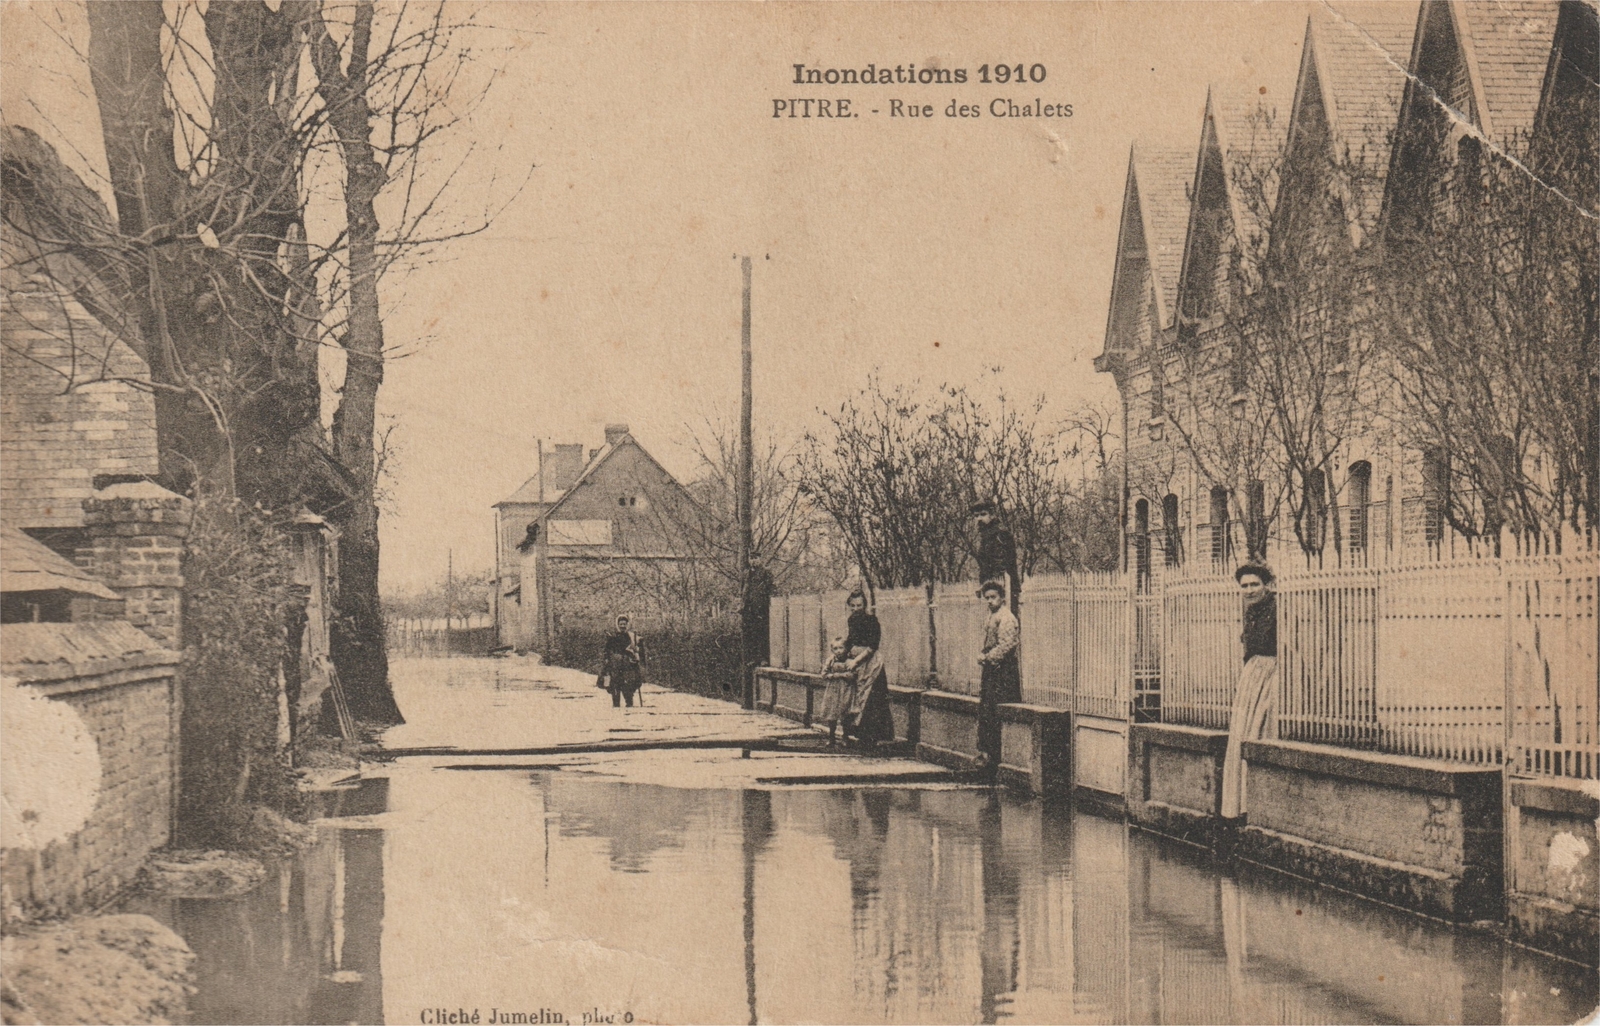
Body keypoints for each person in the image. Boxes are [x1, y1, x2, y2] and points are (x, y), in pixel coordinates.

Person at [1220, 564, 1278, 820]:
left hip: (1272, 673)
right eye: (1244, 586)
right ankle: (1240, 804)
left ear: (1267, 586)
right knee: (1243, 732)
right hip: (1252, 675)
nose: (1249, 590)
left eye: (1255, 584)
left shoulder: (1277, 608)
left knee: (1261, 729)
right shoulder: (1250, 611)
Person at [976, 580, 1021, 771]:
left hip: (1003, 672)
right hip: (991, 671)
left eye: (993, 597)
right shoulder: (991, 616)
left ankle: (997, 757)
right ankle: (988, 755)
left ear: (1002, 598)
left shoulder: (1007, 618)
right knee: (987, 710)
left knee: (997, 710)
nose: (989, 601)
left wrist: (987, 657)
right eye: (986, 598)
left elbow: (1007, 645)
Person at [839, 589, 893, 743]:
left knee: (871, 698)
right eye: (853, 606)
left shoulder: (872, 621)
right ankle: (857, 734)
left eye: (859, 605)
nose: (856, 609)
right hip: (855, 662)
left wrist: (856, 661)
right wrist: (841, 653)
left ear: (865, 605)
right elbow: (851, 640)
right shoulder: (851, 620)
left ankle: (872, 738)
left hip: (870, 664)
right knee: (854, 697)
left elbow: (872, 646)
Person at [972, 502, 1020, 615]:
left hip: (1004, 587)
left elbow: (1002, 563)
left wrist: (993, 586)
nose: (979, 519)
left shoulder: (1000, 534)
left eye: (983, 514)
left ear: (992, 515)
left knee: (1005, 623)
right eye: (976, 516)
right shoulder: (985, 537)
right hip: (992, 589)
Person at [601, 615, 645, 708]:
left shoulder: (631, 637)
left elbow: (638, 651)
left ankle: (629, 705)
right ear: (618, 625)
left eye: (624, 624)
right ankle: (616, 706)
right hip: (615, 665)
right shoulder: (613, 637)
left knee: (628, 686)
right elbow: (607, 651)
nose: (622, 626)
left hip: (628, 665)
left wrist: (636, 653)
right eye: (620, 624)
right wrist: (607, 661)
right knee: (615, 686)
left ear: (627, 625)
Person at [819, 635, 852, 745]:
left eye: (841, 648)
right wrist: (835, 676)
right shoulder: (830, 661)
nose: (838, 651)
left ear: (846, 648)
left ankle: (845, 737)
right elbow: (824, 674)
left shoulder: (849, 661)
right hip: (832, 690)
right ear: (832, 650)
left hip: (845, 689)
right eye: (835, 649)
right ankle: (831, 737)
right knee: (832, 713)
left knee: (845, 712)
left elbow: (852, 675)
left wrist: (843, 675)